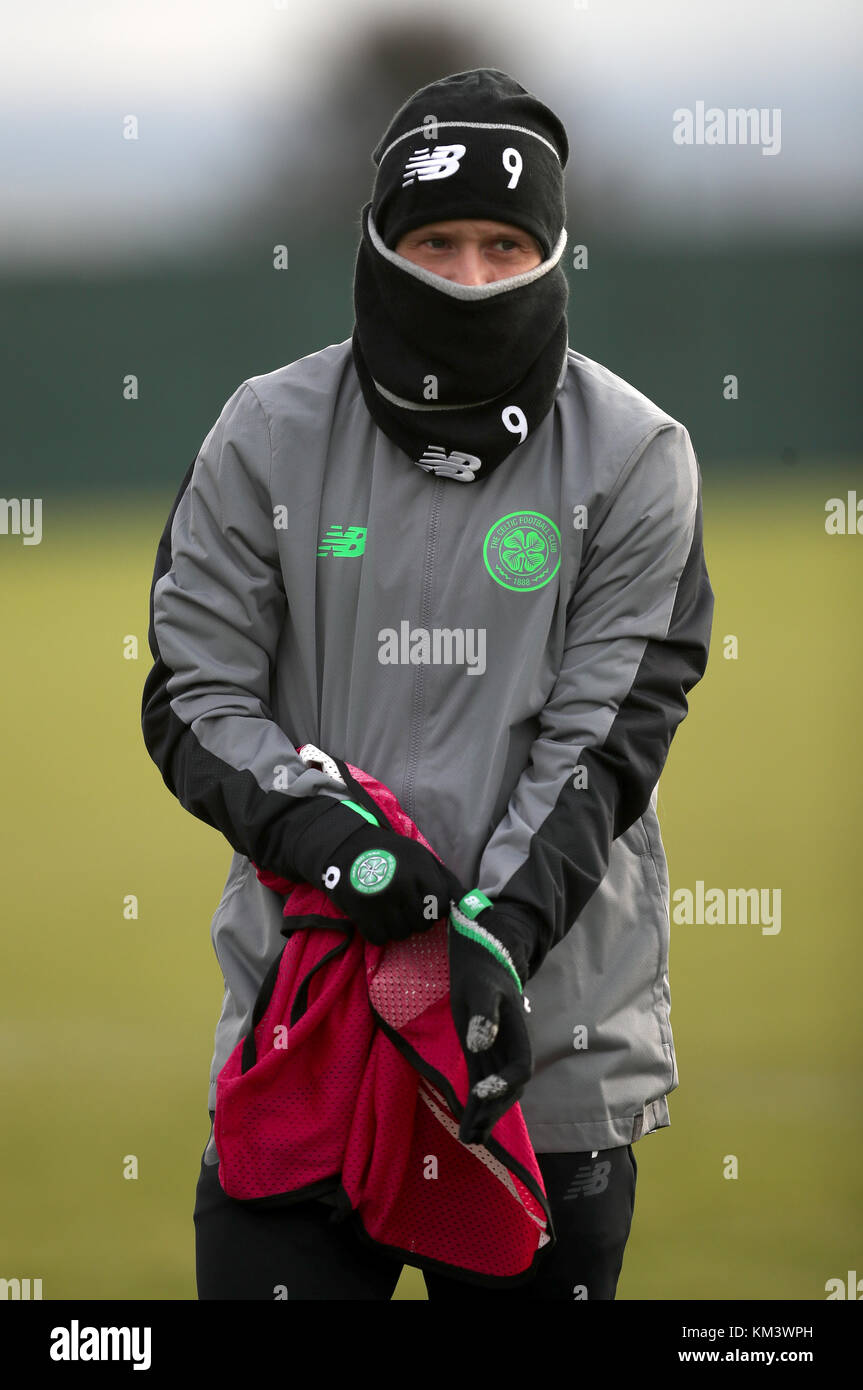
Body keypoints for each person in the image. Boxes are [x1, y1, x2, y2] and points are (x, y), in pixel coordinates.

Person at [141, 67, 714, 1300]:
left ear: (550, 251)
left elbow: (603, 736)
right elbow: (194, 690)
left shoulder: (634, 457)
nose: (467, 277)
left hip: (539, 1064)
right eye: (435, 241)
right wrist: (343, 845)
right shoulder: (263, 434)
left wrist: (490, 939)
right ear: (379, 244)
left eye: (503, 244)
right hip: (310, 1038)